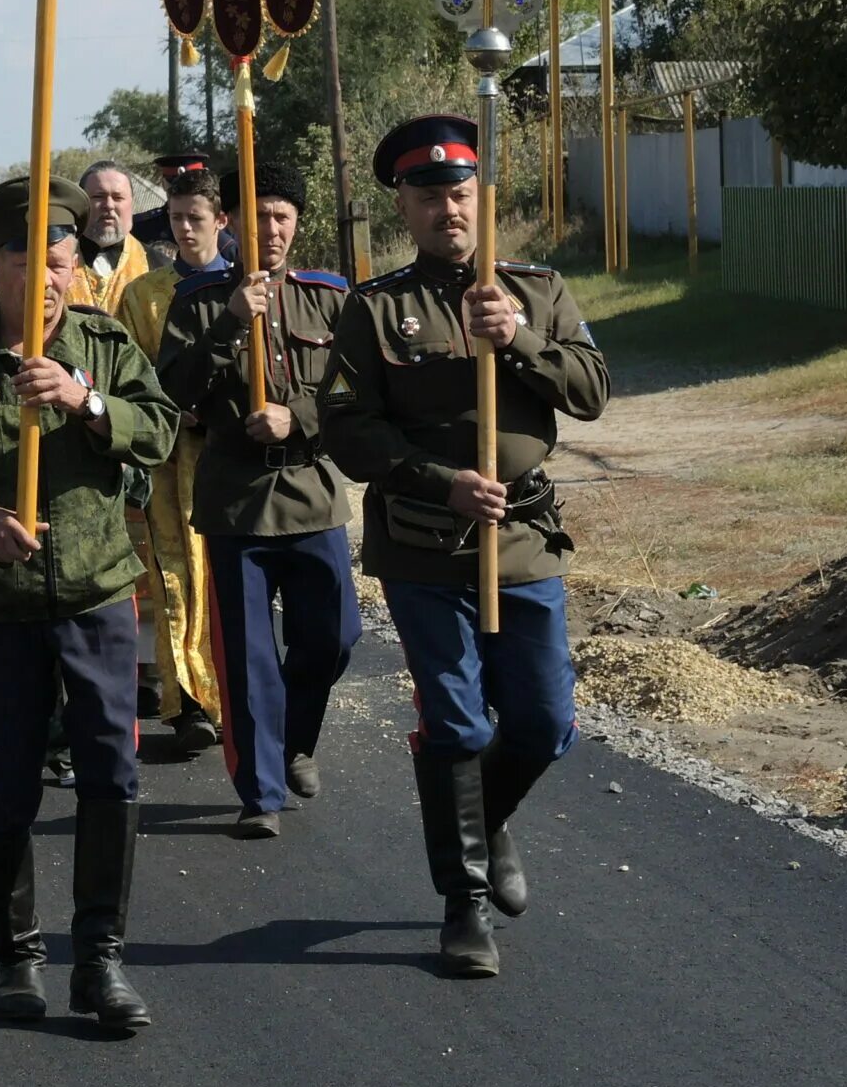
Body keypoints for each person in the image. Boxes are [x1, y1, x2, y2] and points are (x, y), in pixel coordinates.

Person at [0, 176, 178, 1029]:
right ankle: (17, 957)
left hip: (96, 593)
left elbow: (158, 428)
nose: (48, 278)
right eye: (27, 263)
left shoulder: (104, 343)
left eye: (62, 261)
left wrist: (86, 402)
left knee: (109, 773)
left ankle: (102, 959)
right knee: (8, 782)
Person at [322, 115, 608, 978]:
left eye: (459, 194)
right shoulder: (376, 309)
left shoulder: (540, 289)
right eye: (427, 197)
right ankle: (465, 904)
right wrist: (433, 476)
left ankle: (486, 818)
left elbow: (592, 393)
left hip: (523, 540)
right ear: (403, 209)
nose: (447, 209)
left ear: (480, 201)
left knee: (546, 720)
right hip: (423, 545)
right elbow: (347, 429)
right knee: (453, 721)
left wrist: (515, 337)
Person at [154, 165, 357, 838]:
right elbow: (173, 391)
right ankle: (261, 792)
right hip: (236, 496)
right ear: (232, 223)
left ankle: (295, 740)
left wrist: (296, 416)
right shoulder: (200, 299)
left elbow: (354, 396)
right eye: (259, 216)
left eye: (283, 217)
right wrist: (231, 325)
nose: (271, 229)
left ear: (297, 225)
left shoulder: (329, 296)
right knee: (244, 657)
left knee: (333, 639)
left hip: (311, 489)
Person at [112, 166, 229, 754]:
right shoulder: (144, 294)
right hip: (166, 463)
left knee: (223, 580)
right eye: (177, 218)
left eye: (196, 219)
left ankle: (231, 693)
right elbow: (129, 375)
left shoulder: (244, 286)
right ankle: (185, 702)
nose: (185, 229)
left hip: (230, 462)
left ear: (220, 221)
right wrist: (164, 411)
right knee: (172, 580)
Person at [71, 161, 148, 316]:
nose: (109, 205)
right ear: (81, 203)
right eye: (99, 197)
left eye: (118, 197)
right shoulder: (52, 264)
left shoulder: (157, 265)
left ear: (131, 203)